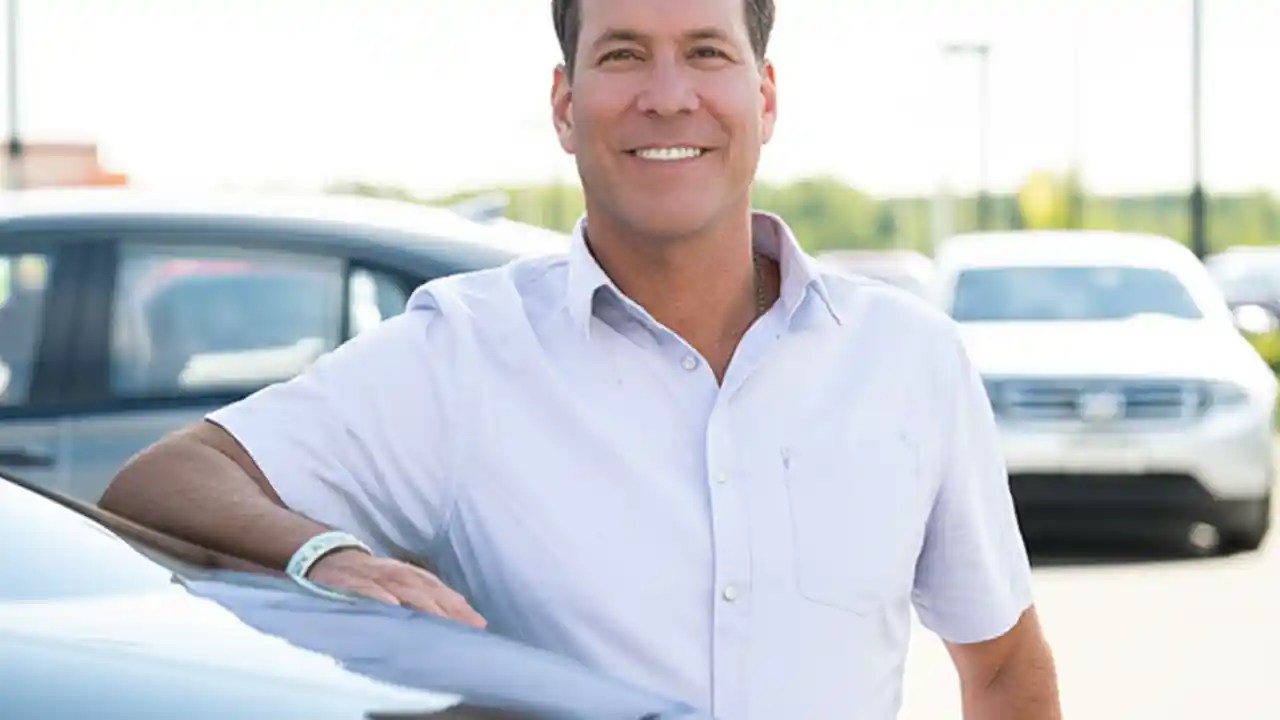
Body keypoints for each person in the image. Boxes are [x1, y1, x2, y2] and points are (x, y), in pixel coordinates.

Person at [101, 0, 1061, 716]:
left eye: (706, 53)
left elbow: (1004, 667)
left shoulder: (909, 360)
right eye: (623, 55)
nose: (668, 95)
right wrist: (326, 555)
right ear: (565, 106)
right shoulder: (463, 356)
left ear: (763, 99)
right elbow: (166, 480)